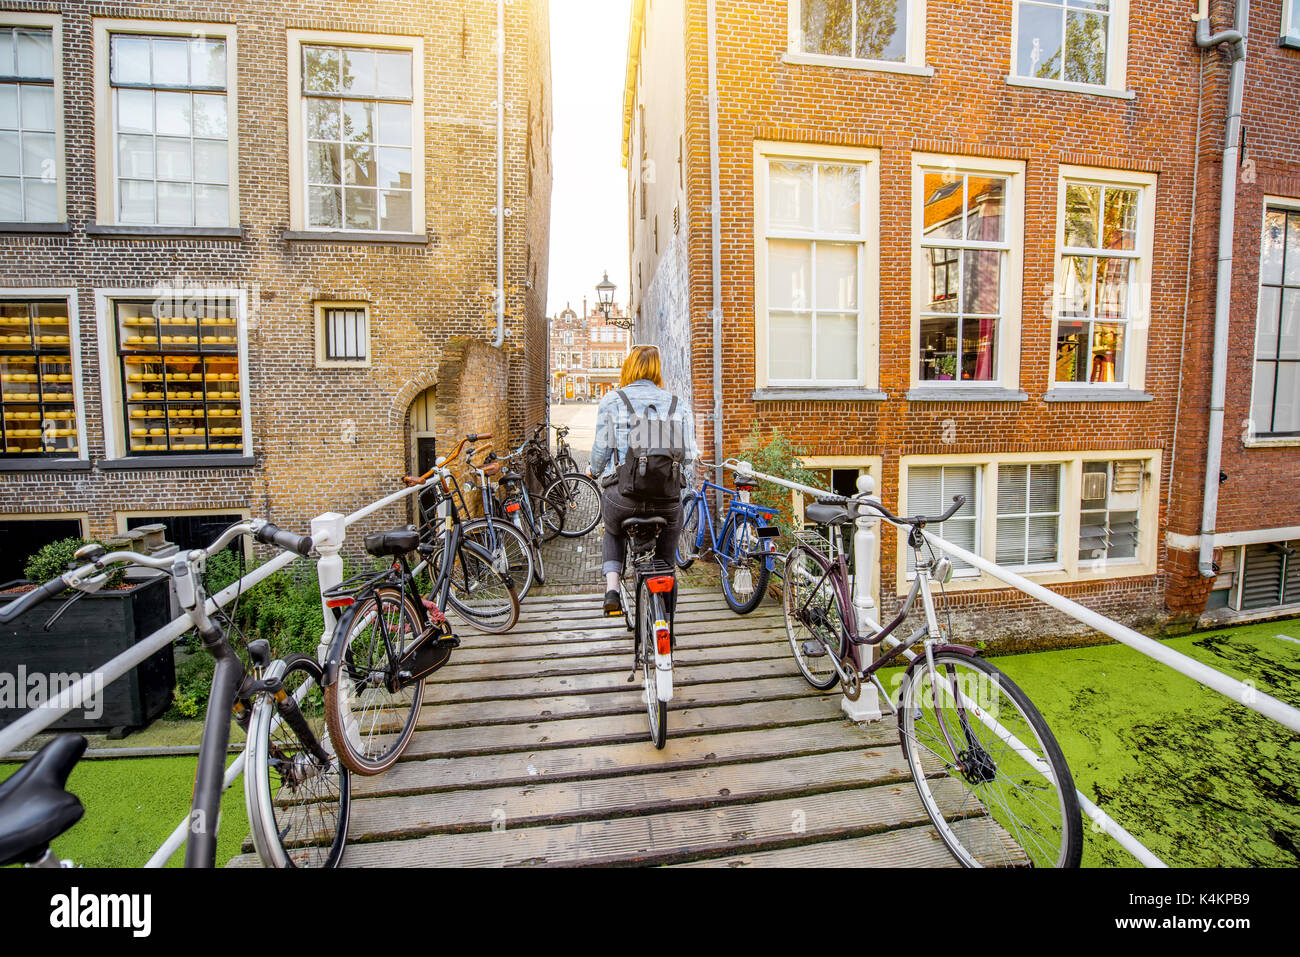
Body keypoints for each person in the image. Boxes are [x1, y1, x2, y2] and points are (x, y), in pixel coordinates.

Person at [588, 344, 698, 616]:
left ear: (629, 368)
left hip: (624, 500)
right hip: (667, 502)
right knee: (667, 559)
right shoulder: (677, 404)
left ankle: (612, 588)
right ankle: (667, 623)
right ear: (657, 369)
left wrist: (594, 469)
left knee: (612, 528)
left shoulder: (613, 400)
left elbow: (600, 455)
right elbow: (689, 457)